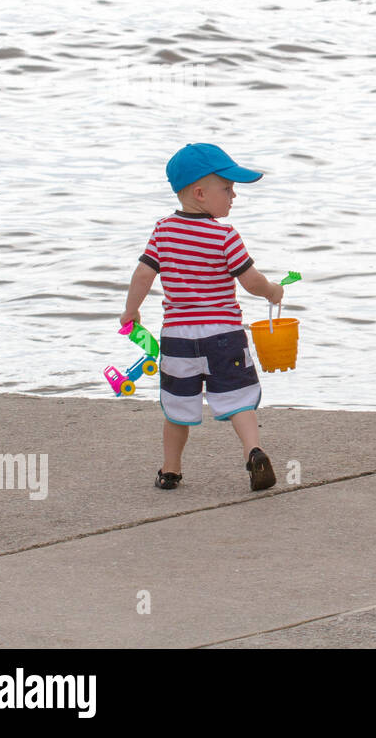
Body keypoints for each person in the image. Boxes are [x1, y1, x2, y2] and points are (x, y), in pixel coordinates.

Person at [119, 143, 284, 492]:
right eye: (227, 188)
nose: (234, 196)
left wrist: (131, 311)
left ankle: (170, 471)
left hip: (178, 339)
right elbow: (250, 281)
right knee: (239, 400)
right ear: (199, 193)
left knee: (176, 409)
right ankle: (253, 450)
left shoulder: (162, 232)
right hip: (224, 335)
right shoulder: (225, 236)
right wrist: (272, 291)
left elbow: (142, 276)